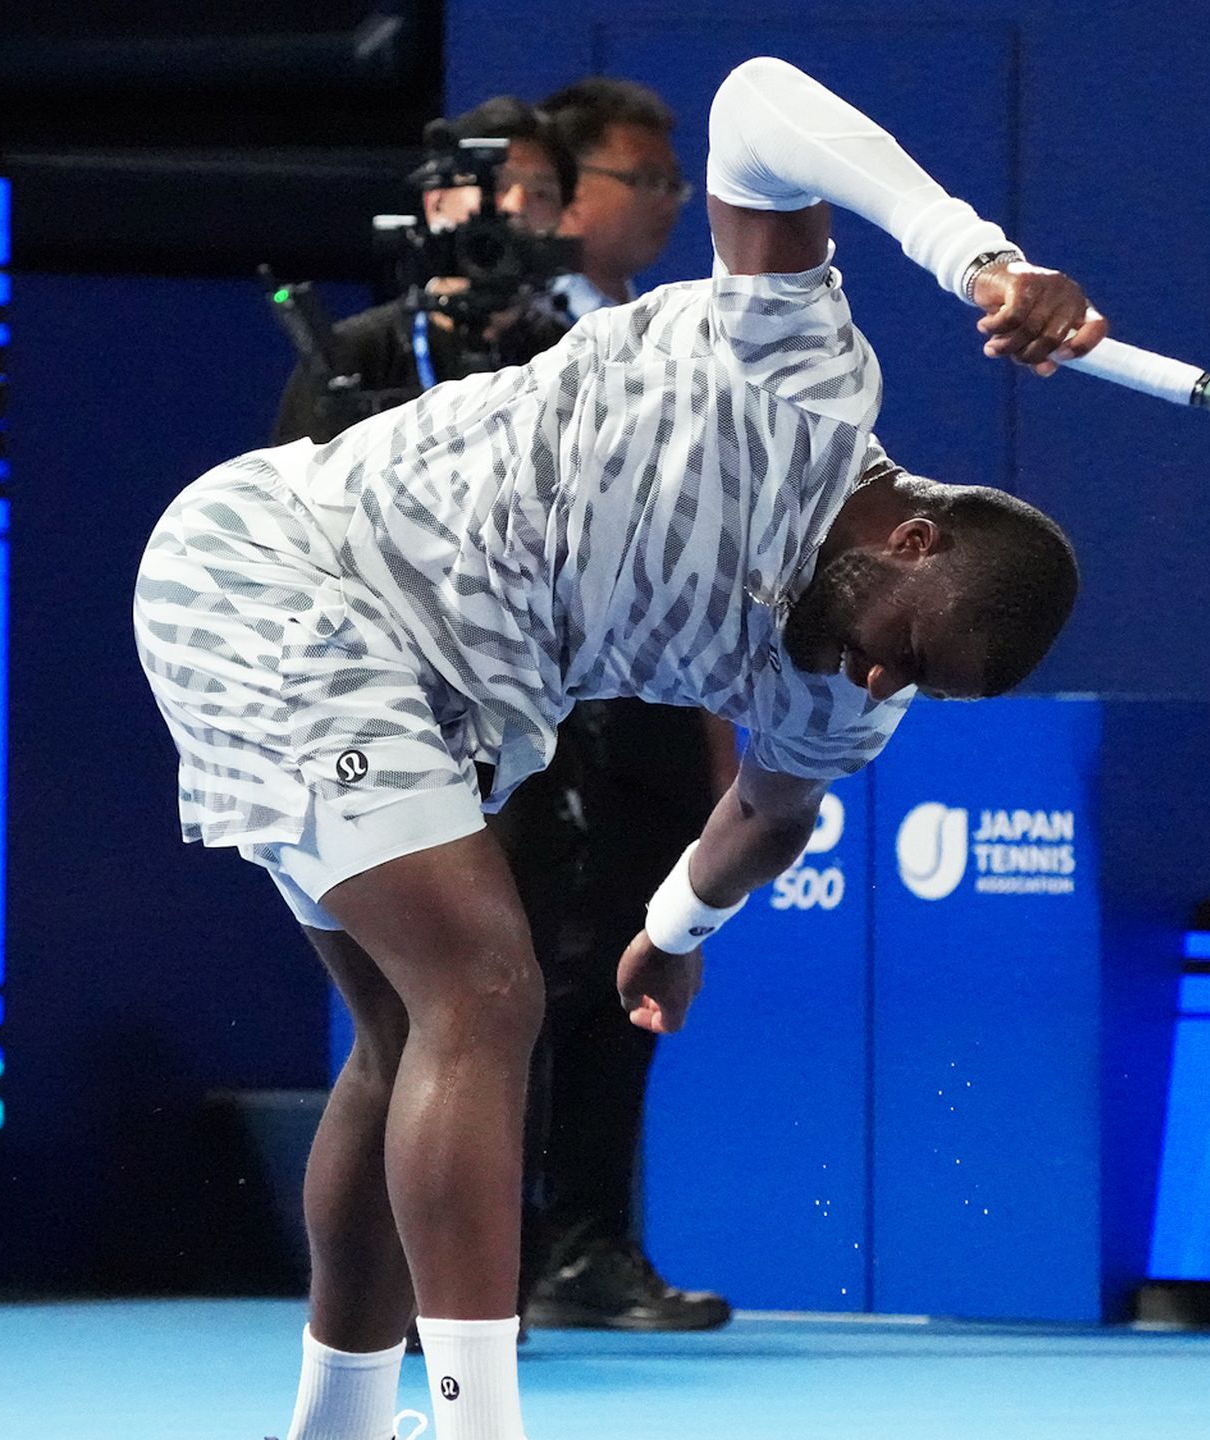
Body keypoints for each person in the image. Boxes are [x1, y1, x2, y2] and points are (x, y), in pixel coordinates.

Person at [136, 55, 1099, 1440]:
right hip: (295, 568)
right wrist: (977, 254)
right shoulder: (802, 376)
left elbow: (767, 814)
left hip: (443, 697)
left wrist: (674, 930)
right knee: (483, 987)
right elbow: (759, 100)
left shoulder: (847, 683)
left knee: (408, 1034)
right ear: (913, 536)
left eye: (917, 689)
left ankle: (333, 1428)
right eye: (908, 645)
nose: (884, 679)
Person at [517, 72, 738, 1335]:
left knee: (626, 982)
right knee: (523, 990)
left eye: (673, 180)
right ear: (563, 192)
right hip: (537, 715)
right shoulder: (500, 340)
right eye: (640, 178)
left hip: (648, 713)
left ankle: (589, 1249)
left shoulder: (660, 338)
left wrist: (712, 731)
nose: (666, 201)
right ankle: (491, 1254)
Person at [271, 95, 574, 447]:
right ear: (435, 202)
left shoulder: (568, 358)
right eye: (496, 184)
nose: (516, 205)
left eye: (542, 193)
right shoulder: (356, 354)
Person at [540, 77, 691, 319]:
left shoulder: (660, 325)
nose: (668, 203)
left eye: (673, 184)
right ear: (566, 184)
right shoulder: (513, 320)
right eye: (647, 180)